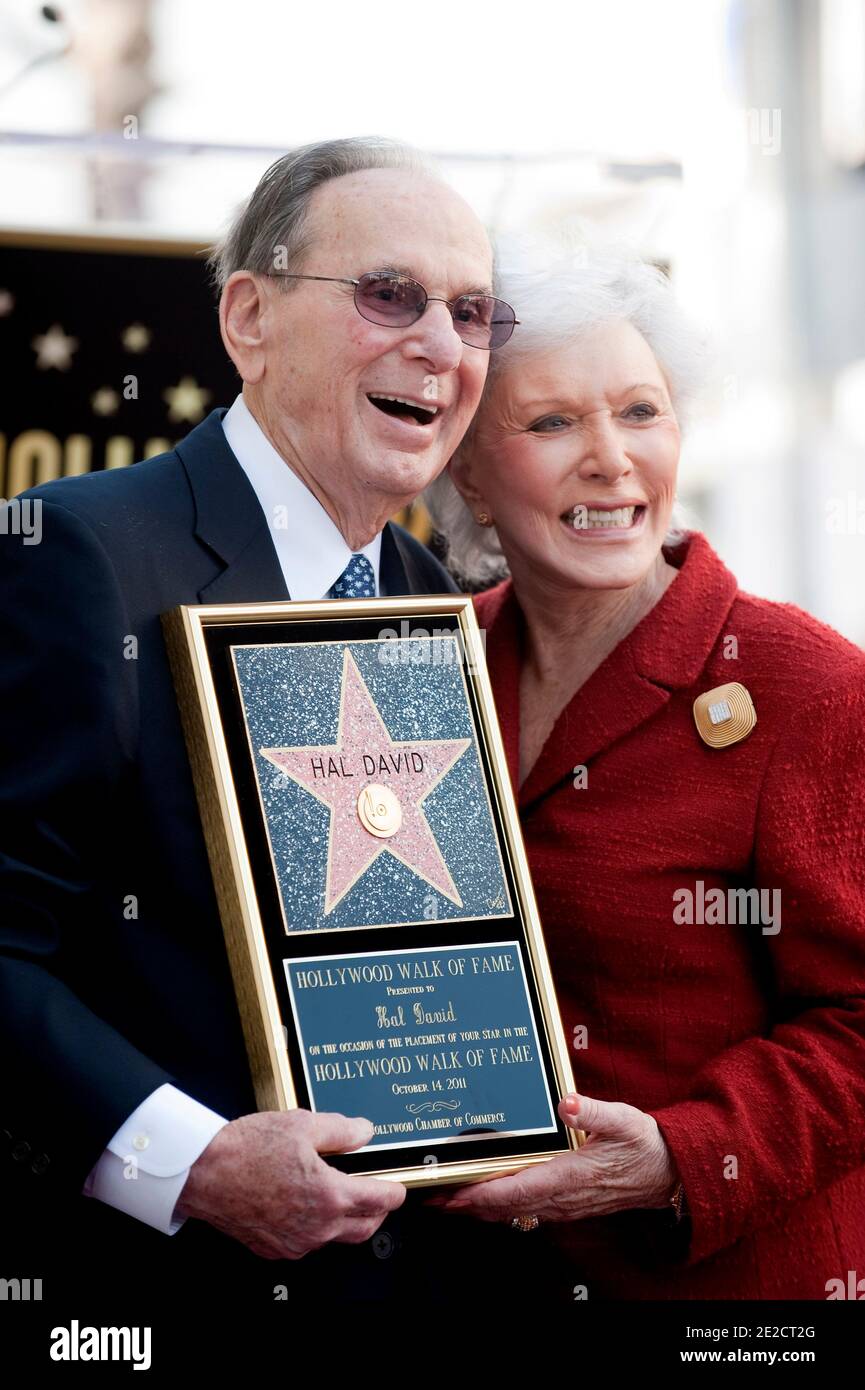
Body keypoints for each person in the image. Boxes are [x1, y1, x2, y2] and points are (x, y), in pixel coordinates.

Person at [0, 135, 552, 1308]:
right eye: (390, 294)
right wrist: (191, 1162)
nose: (442, 348)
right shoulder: (77, 558)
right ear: (248, 316)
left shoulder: (425, 597)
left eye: (471, 309)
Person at [422, 234, 865, 1299]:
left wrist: (682, 1152)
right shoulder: (427, 665)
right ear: (469, 474)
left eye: (639, 410)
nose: (612, 459)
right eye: (552, 421)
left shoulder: (806, 686)